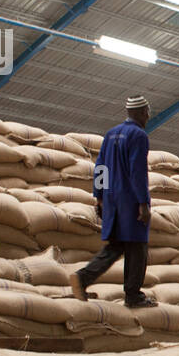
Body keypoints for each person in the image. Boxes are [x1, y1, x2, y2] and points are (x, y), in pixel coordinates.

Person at [69, 95, 157, 307]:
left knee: (115, 246)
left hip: (111, 199)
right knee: (137, 248)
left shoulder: (110, 135)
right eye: (146, 112)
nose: (148, 116)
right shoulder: (138, 135)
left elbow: (100, 167)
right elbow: (137, 172)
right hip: (130, 200)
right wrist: (143, 203)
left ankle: (83, 278)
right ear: (139, 112)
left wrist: (98, 196)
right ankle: (133, 296)